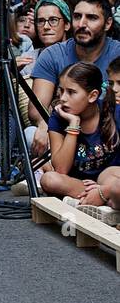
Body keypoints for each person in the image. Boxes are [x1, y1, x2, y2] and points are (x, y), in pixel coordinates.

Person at [41, 63, 120, 201]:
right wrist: (73, 124)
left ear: (92, 96)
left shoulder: (115, 111)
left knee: (109, 175)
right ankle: (99, 200)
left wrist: (104, 188)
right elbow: (61, 169)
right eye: (61, 90)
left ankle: (99, 197)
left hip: (111, 181)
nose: (63, 98)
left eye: (71, 92)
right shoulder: (58, 117)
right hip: (80, 184)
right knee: (49, 179)